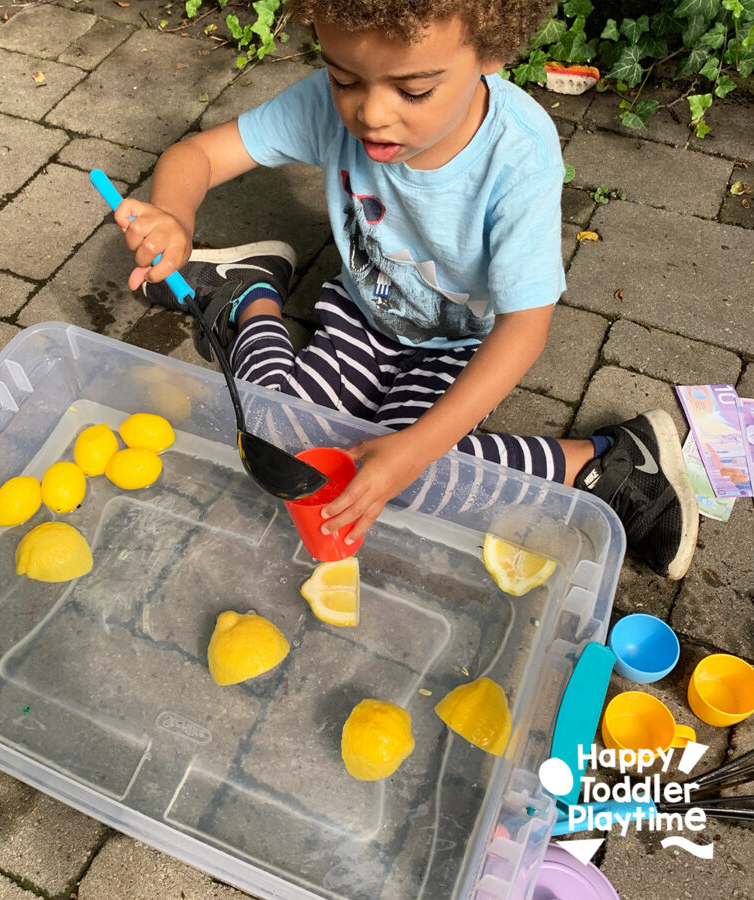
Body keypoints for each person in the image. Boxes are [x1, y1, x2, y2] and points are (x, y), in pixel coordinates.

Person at [112, 0, 698, 580]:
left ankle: (608, 463)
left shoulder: (518, 154)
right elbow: (196, 155)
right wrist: (172, 216)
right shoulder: (325, 103)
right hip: (359, 320)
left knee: (408, 488)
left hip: (459, 348)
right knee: (270, 440)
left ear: (491, 52)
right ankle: (252, 294)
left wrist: (415, 451)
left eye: (413, 91)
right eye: (345, 80)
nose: (370, 114)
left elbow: (525, 328)